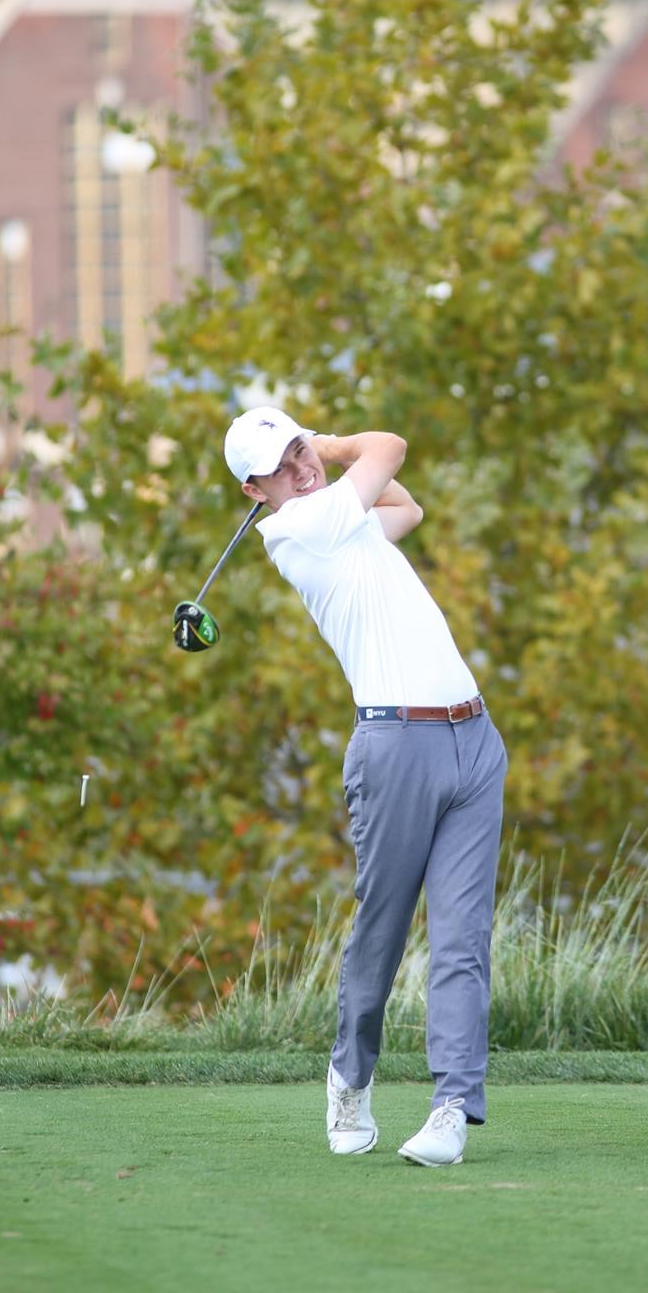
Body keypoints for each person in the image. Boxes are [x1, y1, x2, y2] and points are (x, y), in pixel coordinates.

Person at [224, 405, 508, 1168]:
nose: (299, 466)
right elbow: (389, 446)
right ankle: (350, 1079)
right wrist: (330, 442)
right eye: (281, 464)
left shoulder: (341, 525)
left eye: (297, 451)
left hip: (475, 741)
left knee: (461, 939)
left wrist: (318, 457)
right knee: (382, 931)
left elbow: (405, 505)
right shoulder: (296, 532)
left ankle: (452, 1107)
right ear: (256, 491)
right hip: (395, 746)